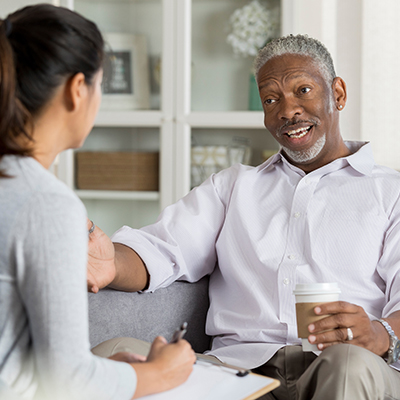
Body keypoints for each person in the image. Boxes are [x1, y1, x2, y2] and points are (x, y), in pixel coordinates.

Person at [87, 34, 400, 399]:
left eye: (303, 90)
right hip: (239, 372)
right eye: (271, 99)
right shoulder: (232, 187)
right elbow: (161, 249)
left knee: (350, 365)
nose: (287, 111)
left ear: (338, 94)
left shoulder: (390, 192)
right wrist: (111, 261)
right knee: (114, 357)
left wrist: (380, 335)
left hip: (344, 365)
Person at [0, 4, 196, 400]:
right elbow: (68, 382)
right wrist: (163, 372)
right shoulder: (44, 204)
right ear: (77, 90)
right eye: (99, 85)